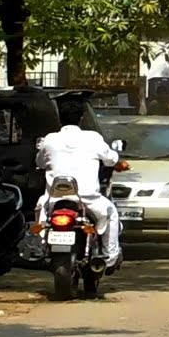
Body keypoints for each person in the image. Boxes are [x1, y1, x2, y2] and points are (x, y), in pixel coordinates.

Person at [35, 100, 129, 270]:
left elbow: (40, 162)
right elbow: (110, 159)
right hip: (88, 199)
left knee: (40, 212)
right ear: (81, 118)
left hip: (53, 200)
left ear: (59, 118)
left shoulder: (50, 140)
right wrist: (120, 164)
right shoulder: (92, 138)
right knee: (111, 213)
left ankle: (41, 245)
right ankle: (110, 257)